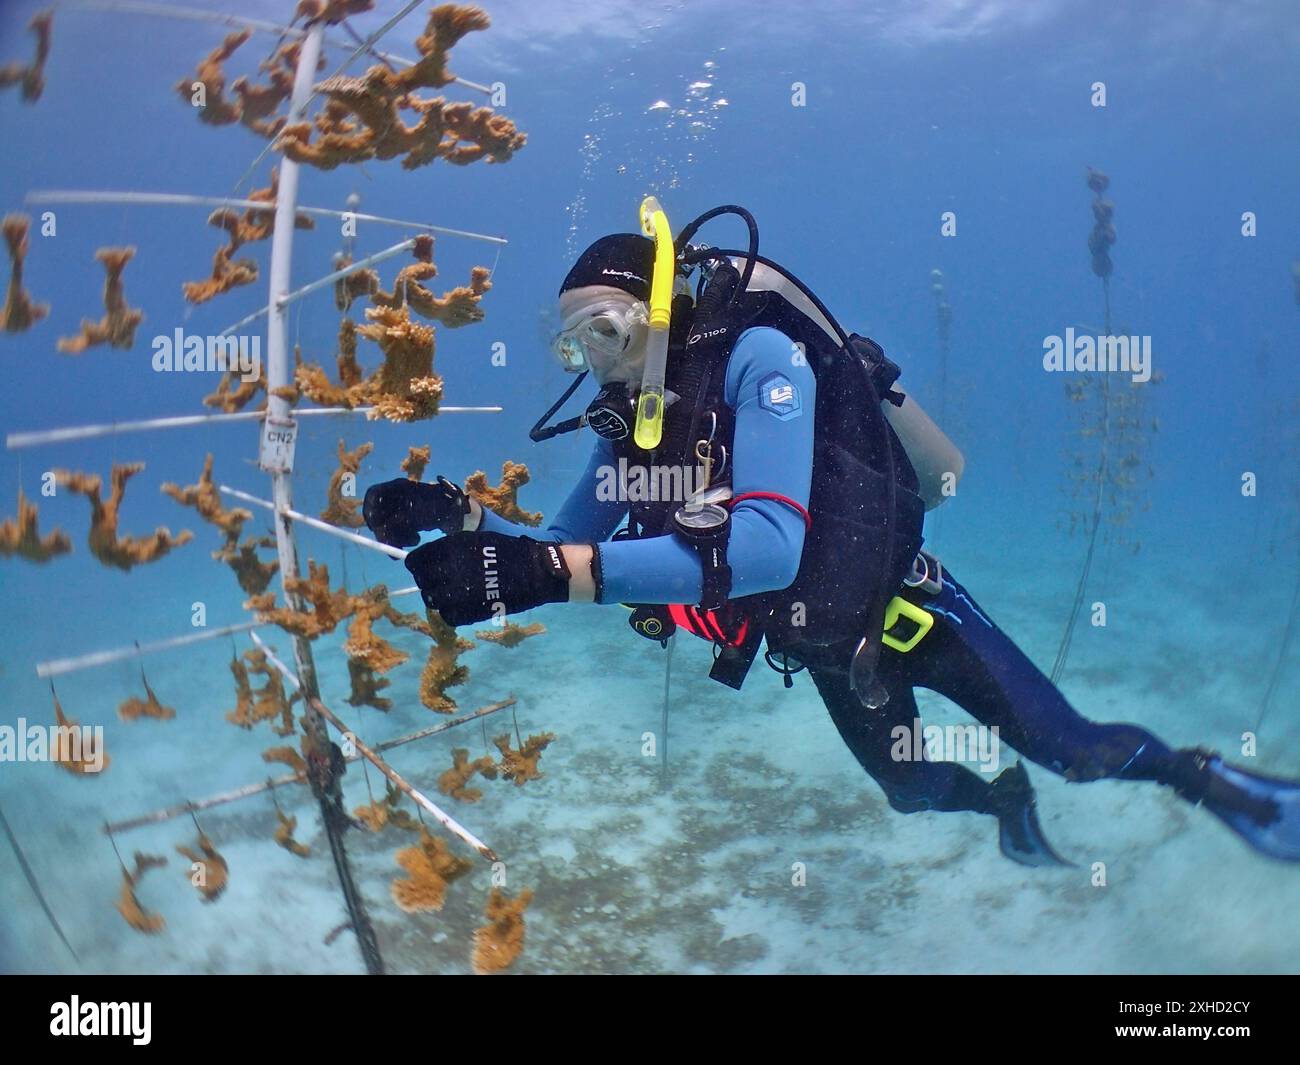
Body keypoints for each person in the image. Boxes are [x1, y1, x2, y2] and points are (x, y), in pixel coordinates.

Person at [364, 203, 1300, 866]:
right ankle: (1002, 798)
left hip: (910, 611)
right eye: (572, 346)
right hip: (817, 650)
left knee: (1075, 748)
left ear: (654, 307)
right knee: (914, 790)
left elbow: (764, 545)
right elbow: (559, 543)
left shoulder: (761, 361)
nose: (594, 362)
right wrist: (463, 521)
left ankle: (1211, 783)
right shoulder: (634, 430)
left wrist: (546, 570)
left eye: (605, 330)